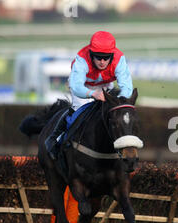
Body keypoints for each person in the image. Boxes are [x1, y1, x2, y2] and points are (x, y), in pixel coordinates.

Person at [45, 31, 133, 160]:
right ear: (91, 54)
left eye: (106, 57)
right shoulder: (82, 59)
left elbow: (127, 88)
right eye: (98, 57)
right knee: (78, 111)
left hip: (105, 85)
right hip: (83, 87)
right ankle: (55, 139)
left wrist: (118, 102)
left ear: (112, 55)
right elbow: (76, 87)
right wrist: (92, 93)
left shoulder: (119, 59)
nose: (102, 62)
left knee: (115, 113)